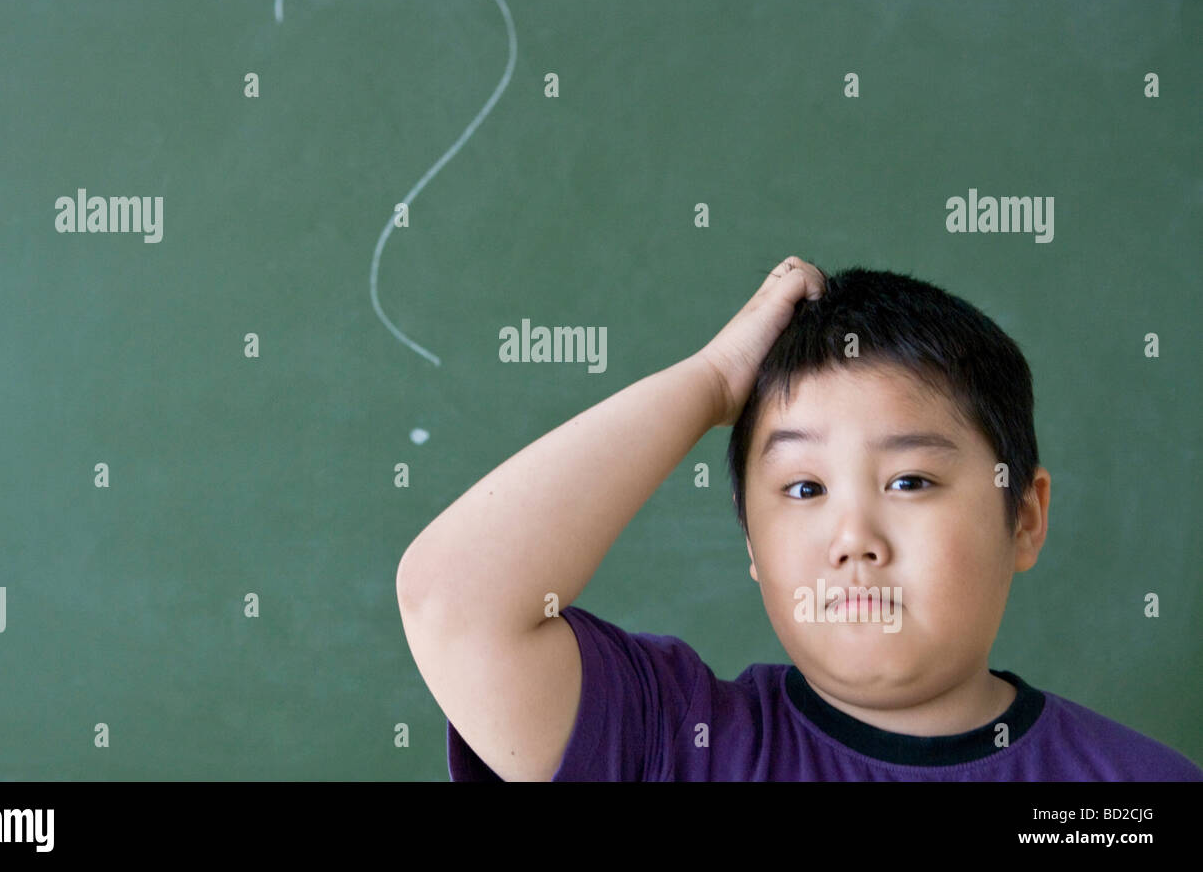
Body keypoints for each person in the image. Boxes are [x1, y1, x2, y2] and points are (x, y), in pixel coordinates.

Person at [397, 257, 1203, 780]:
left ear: (1023, 516)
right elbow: (454, 604)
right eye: (805, 489)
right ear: (752, 542)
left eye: (912, 478)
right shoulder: (674, 745)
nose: (855, 540)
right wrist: (713, 382)